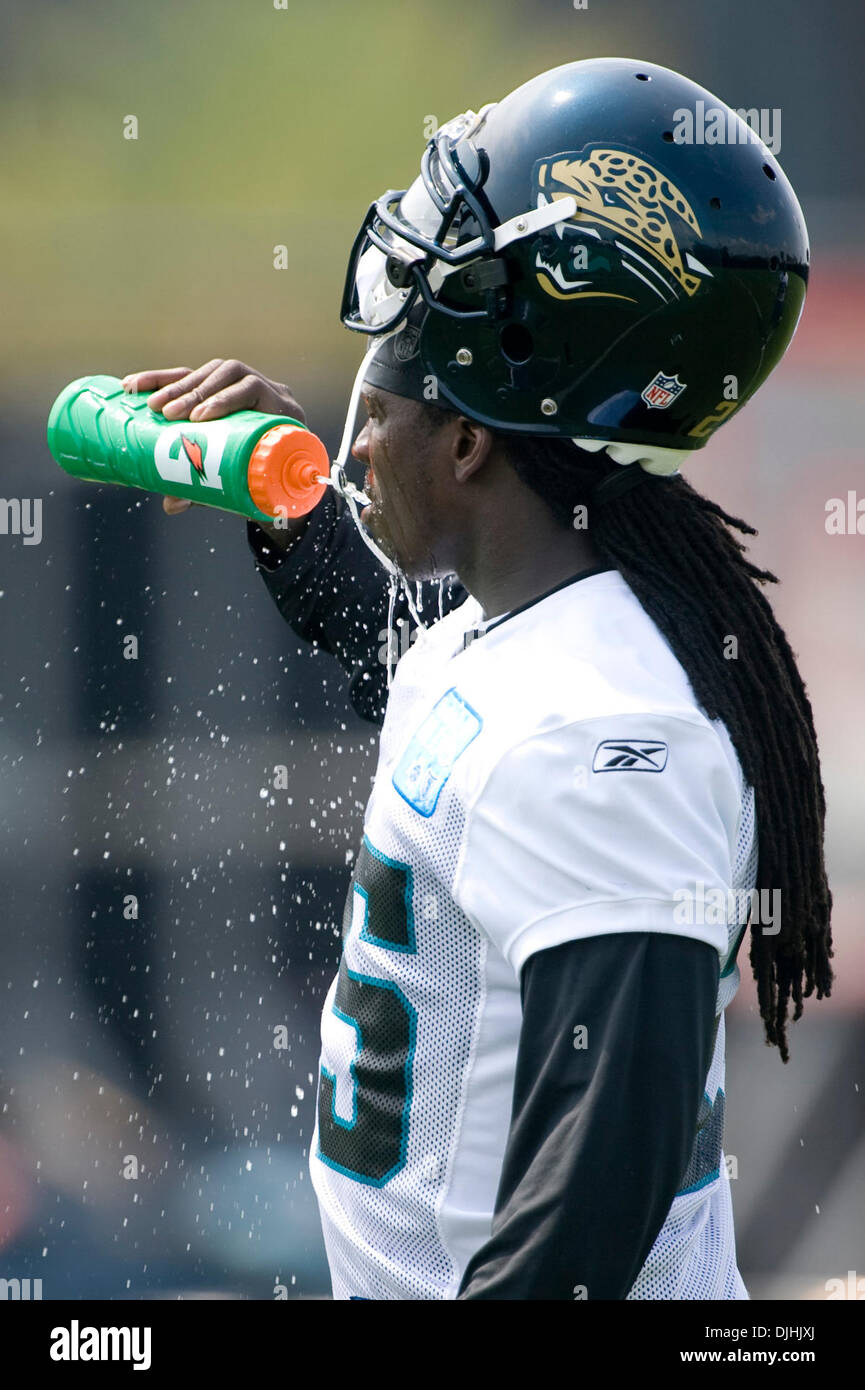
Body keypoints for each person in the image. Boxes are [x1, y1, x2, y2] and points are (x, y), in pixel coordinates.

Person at [125, 58, 833, 1300]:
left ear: (466, 440)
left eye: (383, 403)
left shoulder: (601, 734)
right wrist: (300, 536)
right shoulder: (528, 632)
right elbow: (451, 715)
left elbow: (592, 1202)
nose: (351, 445)